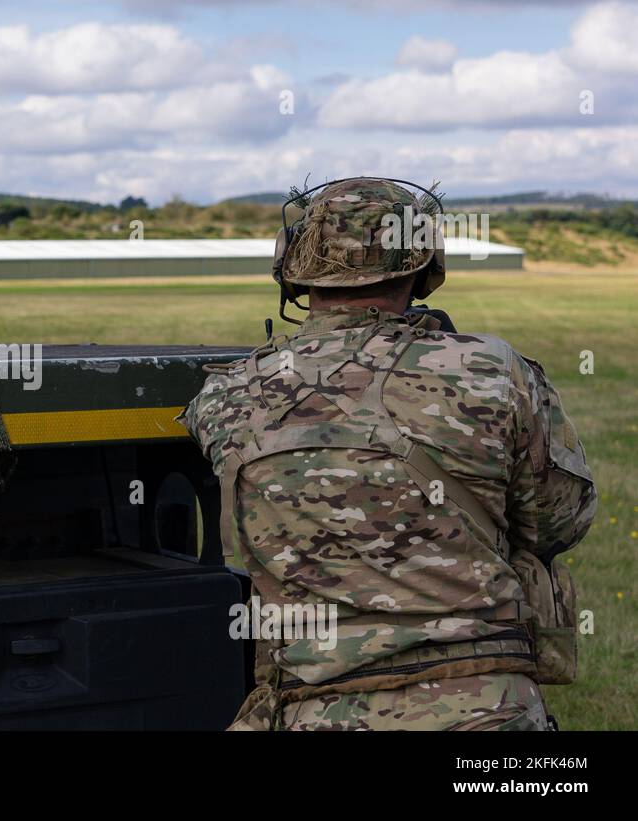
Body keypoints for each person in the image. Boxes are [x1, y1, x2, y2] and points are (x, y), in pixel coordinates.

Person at [178, 177, 596, 730]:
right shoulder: (493, 371)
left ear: (294, 270)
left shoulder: (226, 396)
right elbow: (560, 520)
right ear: (422, 266)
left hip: (311, 708)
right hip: (484, 708)